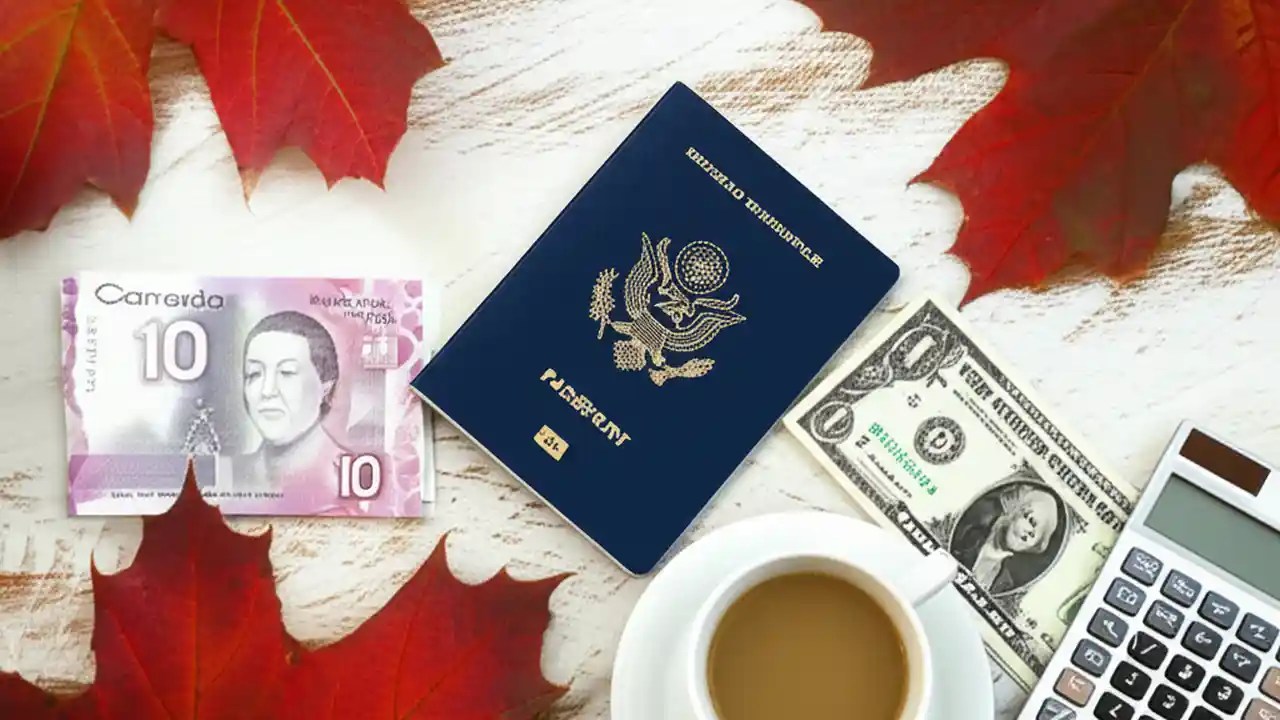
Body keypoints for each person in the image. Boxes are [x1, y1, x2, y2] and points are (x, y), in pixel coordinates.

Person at [236, 311, 346, 491]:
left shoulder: (353, 476)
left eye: (287, 372)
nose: (267, 391)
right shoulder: (231, 476)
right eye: (254, 373)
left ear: (326, 388)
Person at [950, 474, 1065, 595]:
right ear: (1014, 510)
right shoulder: (966, 534)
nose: (1028, 534)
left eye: (1035, 535)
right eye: (1030, 520)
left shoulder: (1004, 583)